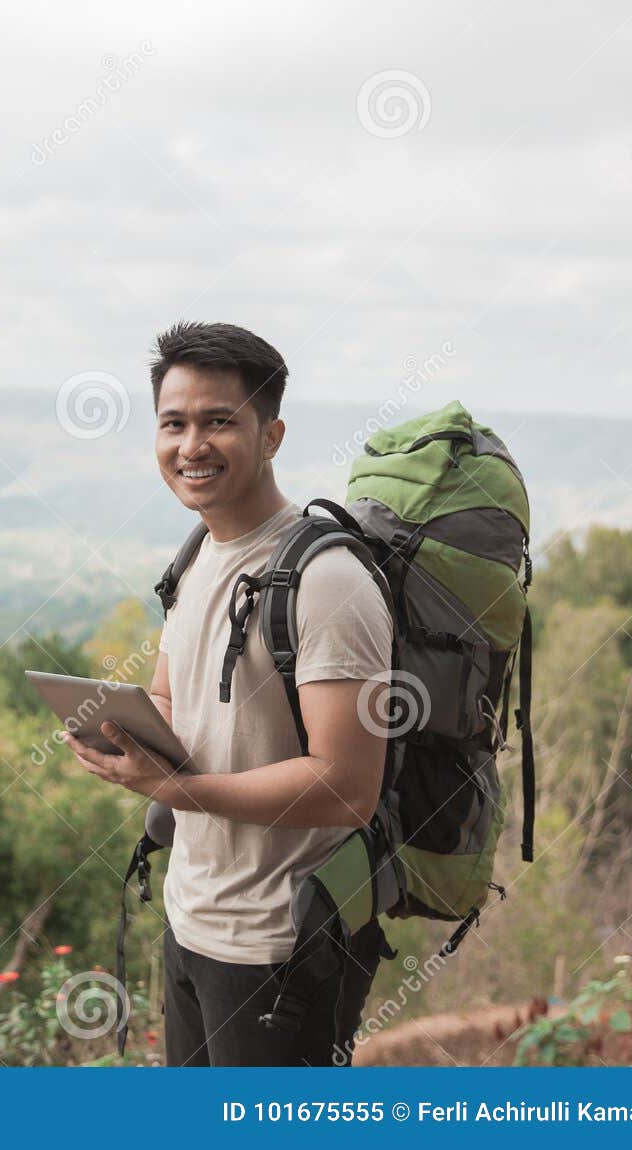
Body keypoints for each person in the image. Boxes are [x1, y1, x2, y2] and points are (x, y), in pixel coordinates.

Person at [62, 322, 394, 1066]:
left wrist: (181, 786)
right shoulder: (198, 554)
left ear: (271, 434)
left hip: (279, 947)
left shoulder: (327, 581)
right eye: (173, 423)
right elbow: (171, 699)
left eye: (220, 422)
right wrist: (126, 739)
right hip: (192, 925)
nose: (192, 445)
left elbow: (347, 788)